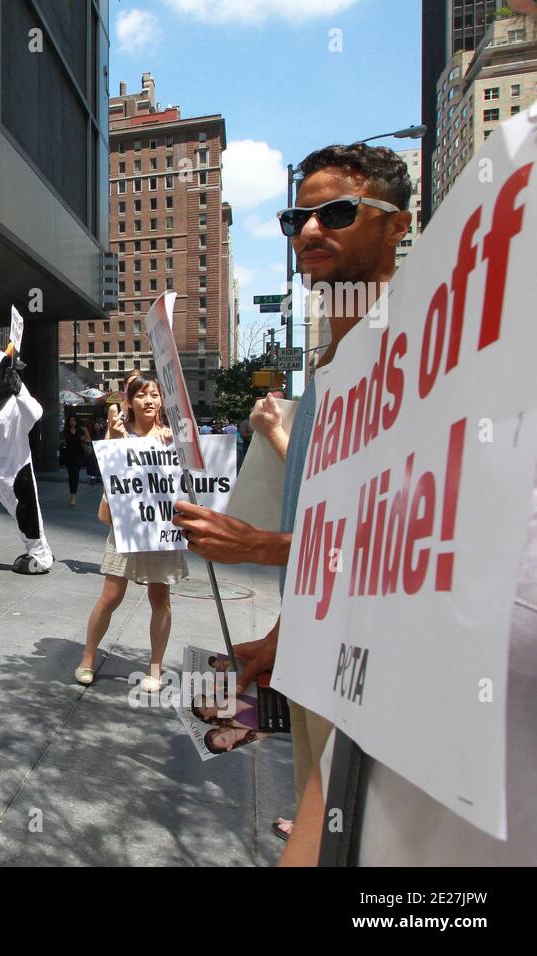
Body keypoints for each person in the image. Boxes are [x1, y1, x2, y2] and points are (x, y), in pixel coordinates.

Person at [172, 143, 412, 854]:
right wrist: (281, 640)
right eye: (297, 218)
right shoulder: (335, 363)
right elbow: (333, 501)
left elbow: (416, 534)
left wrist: (263, 547)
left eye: (337, 212)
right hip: (315, 655)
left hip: (386, 666)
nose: (310, 231)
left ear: (397, 225)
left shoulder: (415, 343)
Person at [76, 372, 187, 690]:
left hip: (162, 526)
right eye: (141, 395)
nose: (149, 400)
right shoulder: (120, 434)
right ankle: (87, 657)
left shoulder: (172, 436)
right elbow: (108, 473)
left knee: (160, 596)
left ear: (161, 399)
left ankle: (155, 667)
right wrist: (113, 436)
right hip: (126, 525)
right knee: (111, 595)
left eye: (154, 394)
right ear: (130, 401)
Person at [60, 414, 87, 506]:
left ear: (77, 421)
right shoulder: (65, 431)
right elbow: (63, 443)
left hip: (78, 456)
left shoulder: (81, 430)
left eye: (74, 420)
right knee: (71, 475)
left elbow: (88, 440)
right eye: (71, 420)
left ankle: (73, 495)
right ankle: (72, 493)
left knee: (75, 474)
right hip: (68, 456)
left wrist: (84, 438)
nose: (72, 422)